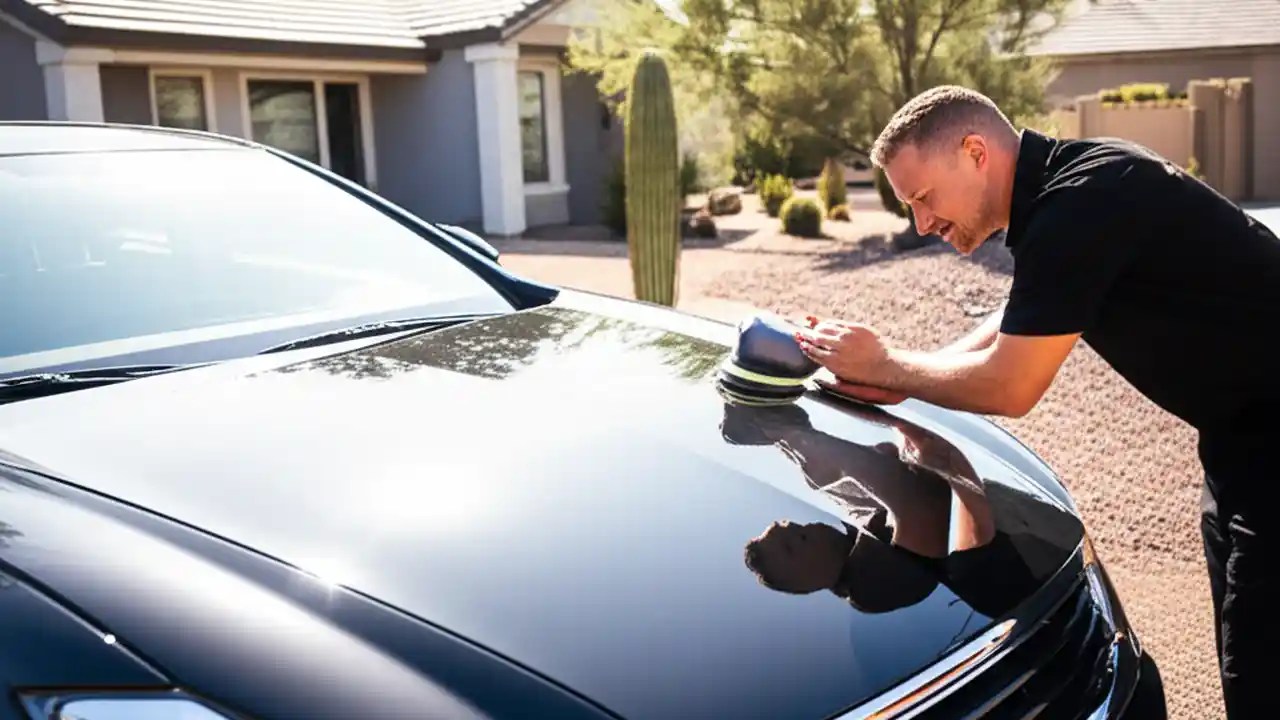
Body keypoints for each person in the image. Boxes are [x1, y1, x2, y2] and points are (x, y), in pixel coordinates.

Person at [792, 84, 1278, 718]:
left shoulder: (1082, 203)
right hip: (1239, 447)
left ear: (974, 152)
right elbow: (1021, 312)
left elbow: (1010, 385)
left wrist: (890, 366)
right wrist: (897, 376)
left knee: (1262, 676)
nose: (922, 224)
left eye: (924, 198)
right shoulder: (1070, 192)